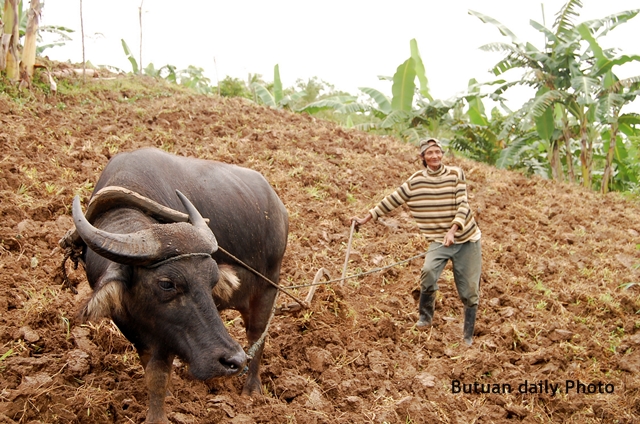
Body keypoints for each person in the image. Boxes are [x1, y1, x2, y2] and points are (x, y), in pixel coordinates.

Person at [351, 138, 482, 345]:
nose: (435, 156)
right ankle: (425, 317)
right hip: (439, 240)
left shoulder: (456, 174)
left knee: (469, 291)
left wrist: (453, 230)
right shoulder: (416, 181)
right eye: (429, 153)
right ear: (422, 157)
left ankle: (467, 335)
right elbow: (392, 200)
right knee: (428, 272)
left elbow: (463, 205)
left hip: (466, 240)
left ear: (442, 154)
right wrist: (366, 218)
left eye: (438, 152)